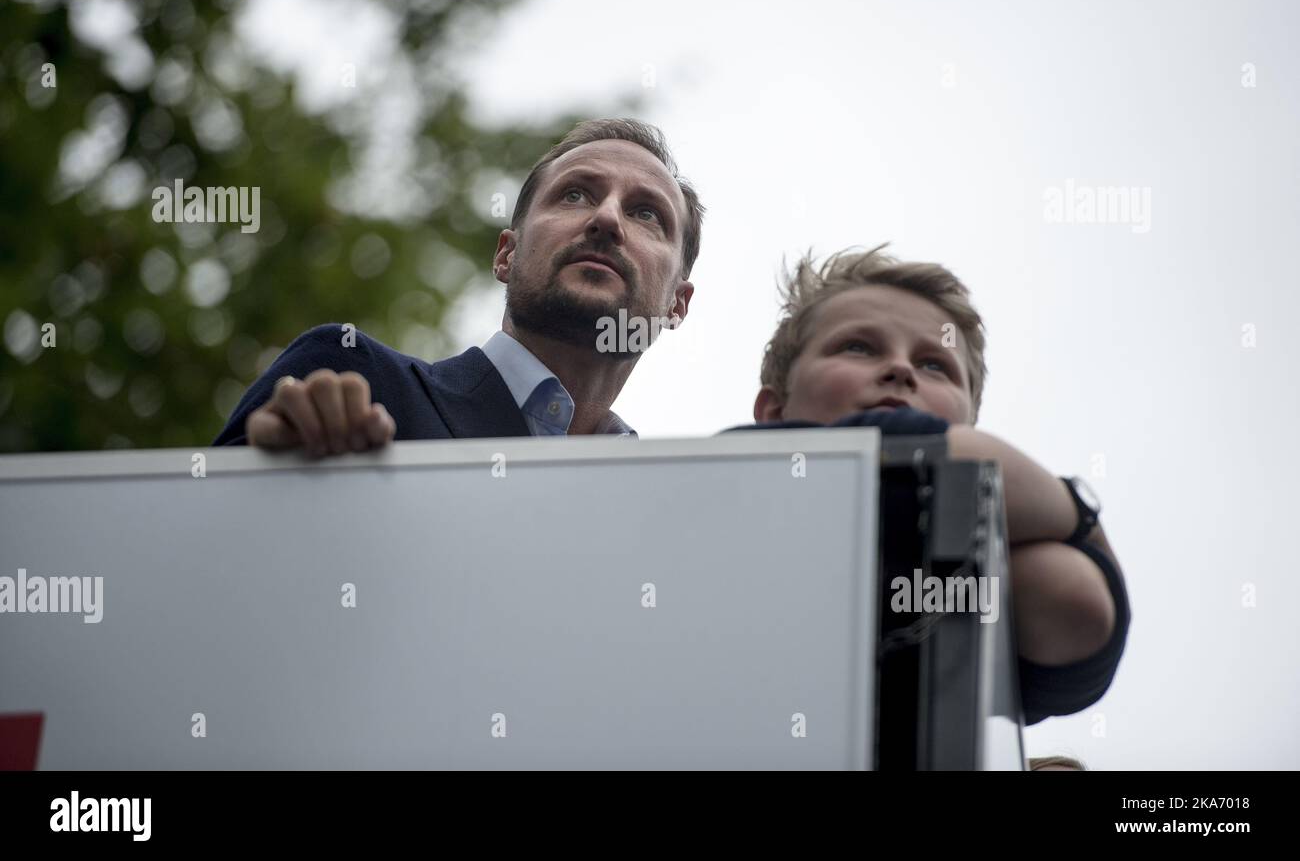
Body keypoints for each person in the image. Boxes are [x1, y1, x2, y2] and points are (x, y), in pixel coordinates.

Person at [739, 244, 1131, 724]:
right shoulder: (735, 471)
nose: (901, 369)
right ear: (774, 410)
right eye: (857, 347)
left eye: (933, 366)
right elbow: (924, 456)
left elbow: (1076, 601)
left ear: (969, 418)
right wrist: (1076, 511)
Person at [213, 119, 702, 450]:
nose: (606, 218)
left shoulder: (671, 514)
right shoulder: (354, 386)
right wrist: (263, 479)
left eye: (646, 213)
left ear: (677, 304)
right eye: (574, 194)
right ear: (506, 254)